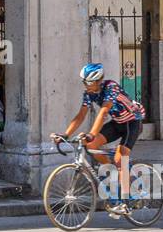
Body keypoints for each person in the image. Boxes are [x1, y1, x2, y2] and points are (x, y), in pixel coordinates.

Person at [51, 62, 146, 217]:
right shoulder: (89, 93)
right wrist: (66, 135)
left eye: (87, 82)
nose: (84, 84)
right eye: (84, 81)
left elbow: (103, 113)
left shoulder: (111, 87)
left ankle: (126, 201)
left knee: (120, 157)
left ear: (96, 81)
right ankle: (115, 173)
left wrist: (91, 133)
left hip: (132, 121)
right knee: (91, 145)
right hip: (117, 122)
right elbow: (81, 115)